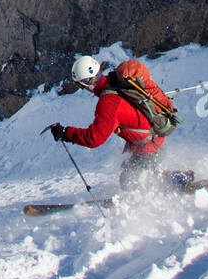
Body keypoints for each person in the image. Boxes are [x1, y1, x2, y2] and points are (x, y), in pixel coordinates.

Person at [48, 56, 179, 190]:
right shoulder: (116, 82)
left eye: (80, 85)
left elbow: (94, 138)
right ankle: (172, 182)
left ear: (86, 82)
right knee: (135, 177)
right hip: (152, 142)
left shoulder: (109, 101)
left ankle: (173, 185)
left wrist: (66, 133)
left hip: (149, 147)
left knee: (130, 183)